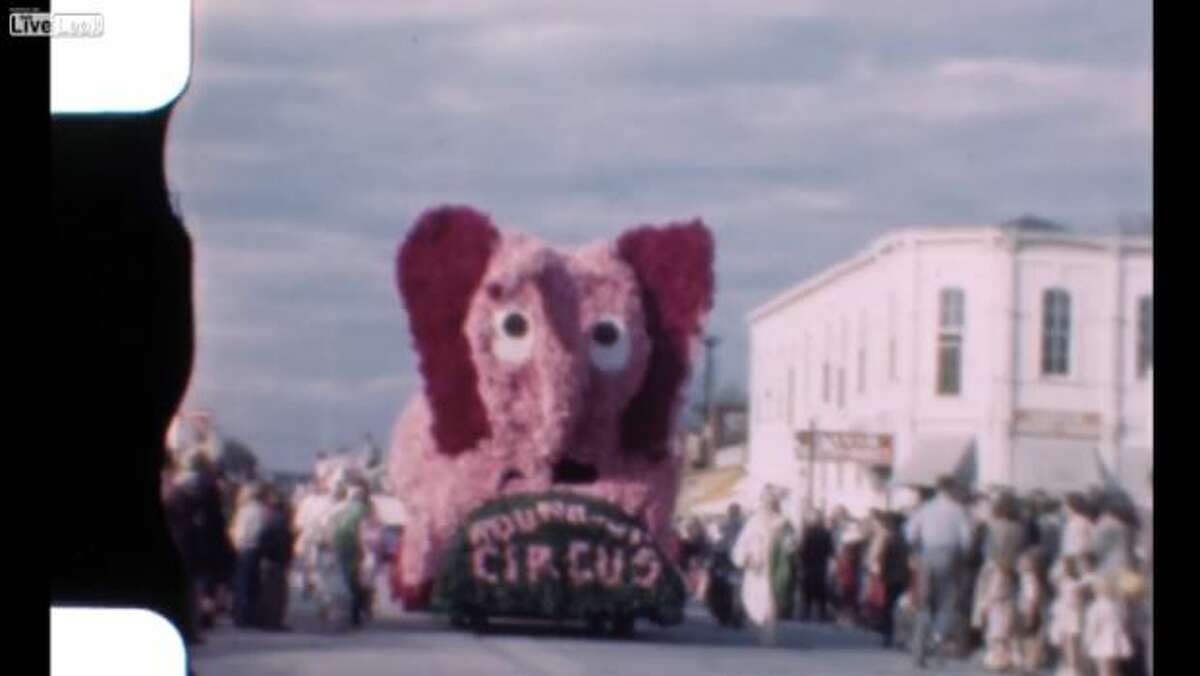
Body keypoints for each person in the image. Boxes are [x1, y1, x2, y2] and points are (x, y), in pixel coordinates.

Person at [905, 475, 974, 669]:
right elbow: (966, 539)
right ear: (951, 489)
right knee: (948, 602)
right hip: (950, 554)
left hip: (927, 554)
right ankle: (938, 636)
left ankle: (918, 648)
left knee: (924, 602)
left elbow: (910, 533)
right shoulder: (959, 510)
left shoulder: (925, 509)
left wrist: (917, 549)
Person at [732, 488, 793, 645]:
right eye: (765, 500)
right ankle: (759, 631)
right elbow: (742, 544)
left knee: (770, 603)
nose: (768, 503)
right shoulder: (753, 521)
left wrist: (787, 546)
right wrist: (745, 558)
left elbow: (790, 544)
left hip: (774, 567)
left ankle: (769, 637)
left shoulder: (783, 522)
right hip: (755, 568)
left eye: (771, 500)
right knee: (753, 602)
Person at [229, 482, 269, 628]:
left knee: (242, 584)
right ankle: (252, 617)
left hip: (244, 548)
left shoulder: (243, 511)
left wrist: (236, 544)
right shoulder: (263, 511)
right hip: (256, 549)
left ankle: (241, 616)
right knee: (253, 586)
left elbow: (237, 532)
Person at [256, 483, 294, 631]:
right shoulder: (280, 521)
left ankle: (268, 620)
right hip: (277, 560)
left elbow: (263, 540)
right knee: (277, 594)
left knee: (269, 592)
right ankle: (274, 622)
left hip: (270, 559)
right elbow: (284, 542)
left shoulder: (269, 519)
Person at [1085, 575, 1133, 676]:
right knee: (1104, 670)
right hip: (1102, 640)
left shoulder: (1118, 604)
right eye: (1102, 587)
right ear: (1097, 589)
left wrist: (1121, 634)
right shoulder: (1096, 606)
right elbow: (1092, 625)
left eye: (1108, 586)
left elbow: (1123, 620)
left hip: (1114, 639)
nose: (1106, 589)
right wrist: (1088, 640)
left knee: (1113, 669)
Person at [1049, 555, 1088, 676]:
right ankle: (1067, 665)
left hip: (1071, 614)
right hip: (1062, 614)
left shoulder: (1076, 584)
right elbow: (1053, 577)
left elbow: (1078, 602)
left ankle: (1074, 668)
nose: (1062, 569)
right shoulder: (1061, 582)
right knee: (1063, 642)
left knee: (1072, 643)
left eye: (1064, 566)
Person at [798, 508, 834, 622]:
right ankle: (821, 614)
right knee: (821, 590)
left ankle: (806, 613)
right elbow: (830, 550)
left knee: (808, 590)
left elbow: (803, 550)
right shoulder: (826, 533)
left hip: (809, 565)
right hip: (821, 565)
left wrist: (801, 562)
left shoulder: (807, 532)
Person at [1014, 548, 1047, 673]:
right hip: (1026, 610)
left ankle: (1031, 662)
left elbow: (1033, 597)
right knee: (1027, 637)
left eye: (1022, 563)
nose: (1019, 566)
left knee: (1030, 638)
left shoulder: (1030, 579)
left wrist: (1030, 612)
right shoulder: (1025, 578)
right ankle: (1030, 660)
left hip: (1030, 611)